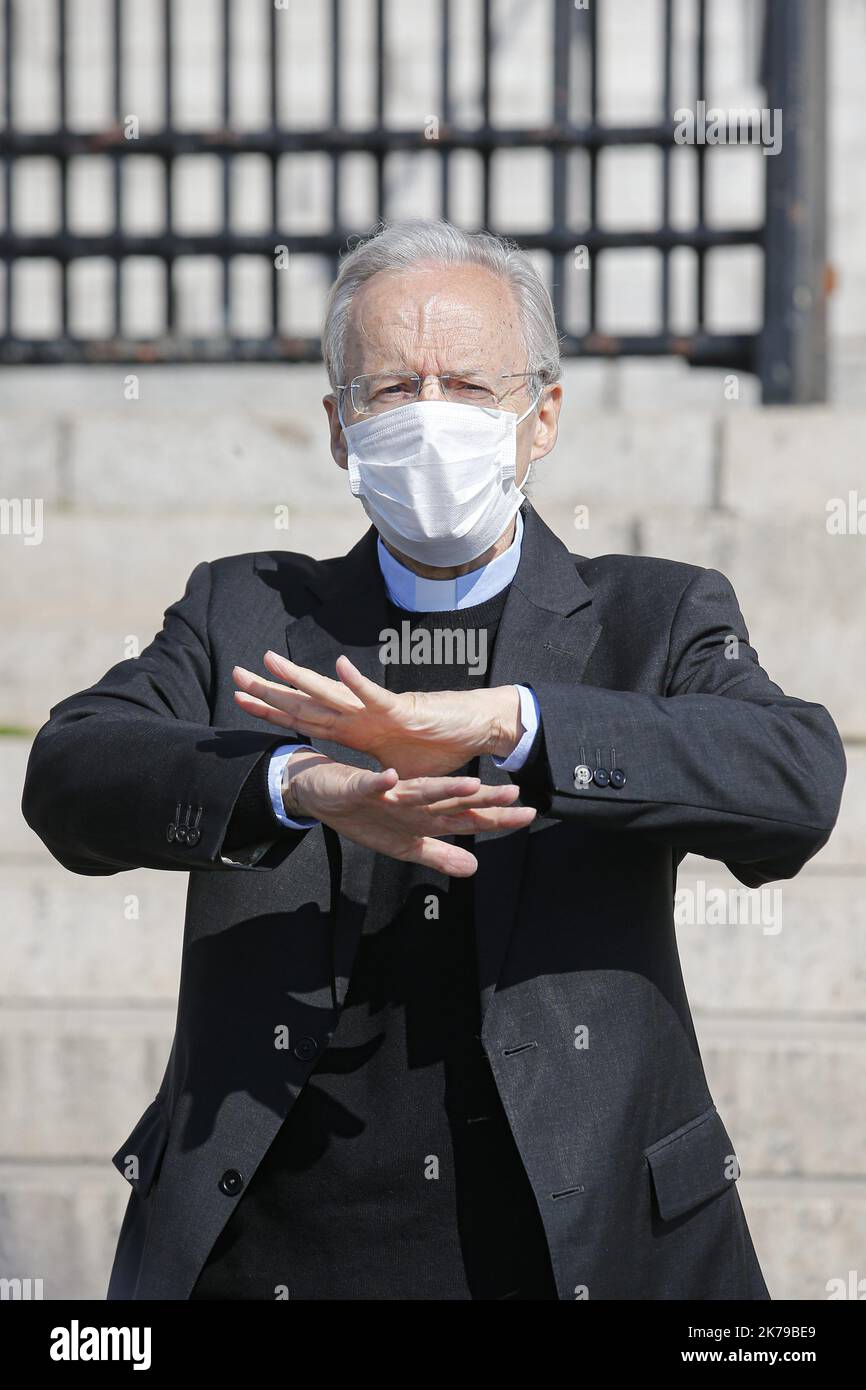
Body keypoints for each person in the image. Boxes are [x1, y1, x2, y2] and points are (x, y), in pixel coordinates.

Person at [22, 218, 846, 1300]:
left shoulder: (649, 615)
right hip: (272, 1245)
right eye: (389, 391)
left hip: (575, 1245)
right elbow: (72, 772)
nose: (428, 417)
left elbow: (792, 778)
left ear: (539, 415)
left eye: (465, 385)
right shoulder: (245, 609)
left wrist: (516, 722)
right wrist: (291, 784)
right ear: (337, 427)